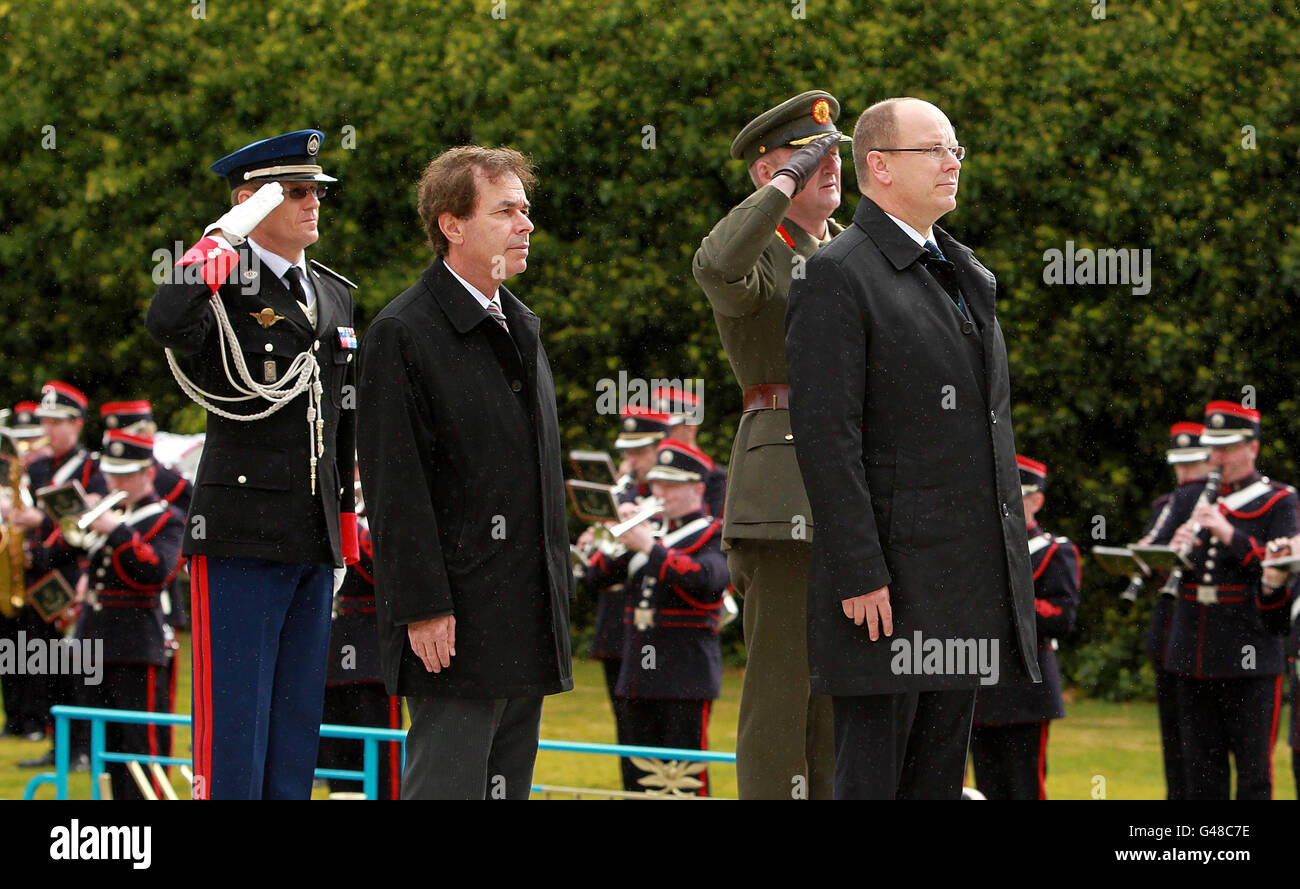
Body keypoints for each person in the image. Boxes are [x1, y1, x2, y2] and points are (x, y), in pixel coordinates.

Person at [785, 96, 1040, 799]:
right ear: (879, 167)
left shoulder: (962, 270)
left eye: (956, 146)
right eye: (934, 149)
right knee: (875, 779)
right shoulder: (838, 273)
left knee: (935, 782)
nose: (953, 160)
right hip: (888, 589)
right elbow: (827, 436)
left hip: (960, 583)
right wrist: (862, 569)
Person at [145, 129, 360, 799]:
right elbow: (166, 316)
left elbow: (342, 415)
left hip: (311, 530)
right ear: (250, 201)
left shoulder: (332, 292)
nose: (313, 203)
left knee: (296, 725)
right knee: (234, 723)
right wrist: (225, 234)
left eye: (317, 191)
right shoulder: (221, 282)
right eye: (295, 192)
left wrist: (345, 522)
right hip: (240, 530)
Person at [356, 145, 573, 800]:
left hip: (524, 612)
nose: (525, 222)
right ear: (452, 224)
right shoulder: (403, 332)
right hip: (453, 622)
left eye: (526, 209)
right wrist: (423, 606)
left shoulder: (520, 324)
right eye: (506, 210)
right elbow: (395, 486)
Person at [691, 89, 849, 800]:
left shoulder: (847, 250)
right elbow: (716, 264)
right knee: (782, 697)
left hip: (849, 488)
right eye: (808, 156)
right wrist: (786, 188)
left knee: (836, 696)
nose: (829, 164)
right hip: (782, 490)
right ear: (765, 175)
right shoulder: (757, 254)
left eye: (835, 152)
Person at [1149, 401, 1295, 799]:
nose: (1218, 457)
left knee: (1253, 773)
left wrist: (1229, 533)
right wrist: (1174, 552)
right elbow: (1158, 568)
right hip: (1191, 650)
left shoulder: (1279, 500)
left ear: (1253, 448)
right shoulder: (1188, 498)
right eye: (1214, 448)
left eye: (1228, 448)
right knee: (1200, 772)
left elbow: (1282, 569)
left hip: (1249, 650)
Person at [607, 439, 729, 796]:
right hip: (635, 677)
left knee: (683, 782)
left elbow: (708, 580)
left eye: (672, 485)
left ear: (697, 487)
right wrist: (613, 537)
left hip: (685, 678)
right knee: (637, 781)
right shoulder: (651, 533)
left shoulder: (712, 533)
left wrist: (649, 548)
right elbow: (596, 578)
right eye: (657, 483)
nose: (660, 493)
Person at [74, 429, 183, 799]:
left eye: (124, 474)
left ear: (148, 473)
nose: (114, 482)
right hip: (96, 643)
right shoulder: (115, 516)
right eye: (111, 473)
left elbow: (155, 573)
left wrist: (118, 532)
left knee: (142, 748)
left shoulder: (167, 520)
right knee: (105, 747)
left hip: (139, 645)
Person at [970, 456, 1079, 799]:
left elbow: (1061, 619)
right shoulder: (977, 552)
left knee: (1026, 788)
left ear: (1036, 500)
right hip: (981, 686)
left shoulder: (1053, 552)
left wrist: (1008, 601)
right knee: (988, 787)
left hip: (1026, 689)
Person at [10, 381, 106, 769]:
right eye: (44, 421)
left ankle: (82, 747)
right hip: (38, 578)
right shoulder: (34, 467)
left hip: (73, 577)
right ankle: (58, 743)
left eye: (56, 422)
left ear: (76, 424)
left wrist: (42, 518)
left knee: (77, 668)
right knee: (46, 665)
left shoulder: (91, 468)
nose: (47, 430)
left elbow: (88, 525)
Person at [316, 473, 402, 799]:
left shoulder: (385, 511)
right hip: (333, 653)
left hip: (373, 656)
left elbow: (385, 570)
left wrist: (347, 520)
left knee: (381, 762)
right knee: (338, 761)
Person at [1138, 421, 1211, 800]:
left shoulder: (1212, 503)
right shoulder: (1166, 506)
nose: (1185, 474)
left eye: (1193, 464)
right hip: (1169, 630)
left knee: (1201, 745)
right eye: (1180, 465)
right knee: (1174, 736)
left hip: (1205, 631)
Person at [652, 385, 727, 517]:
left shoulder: (713, 475)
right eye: (660, 429)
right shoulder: (653, 468)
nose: (663, 435)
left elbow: (710, 522)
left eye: (670, 429)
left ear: (691, 427)